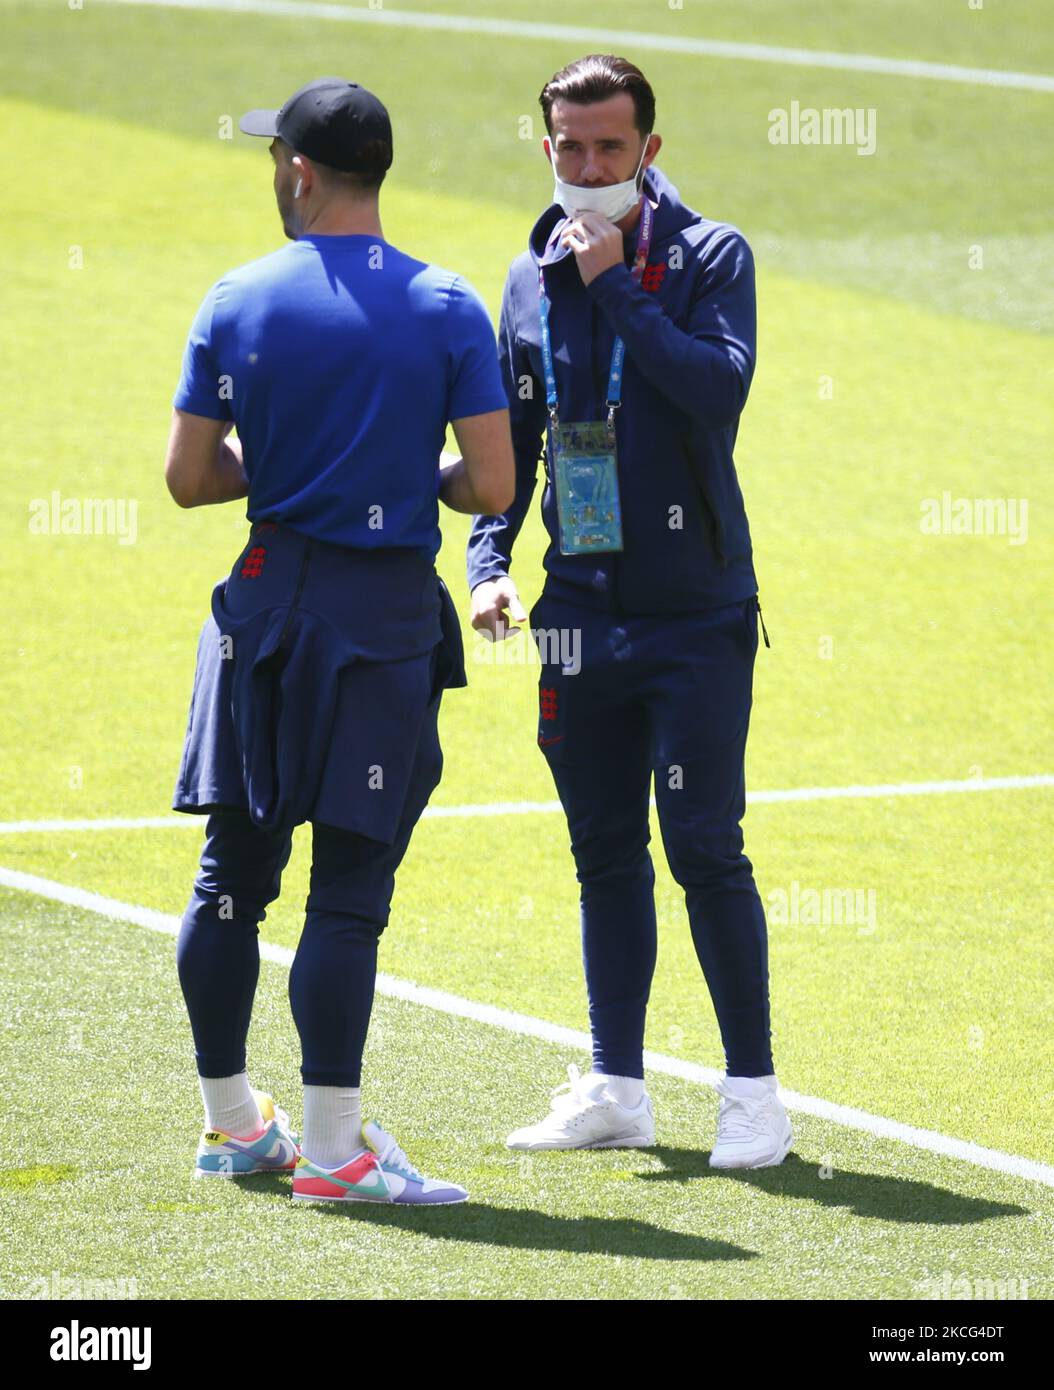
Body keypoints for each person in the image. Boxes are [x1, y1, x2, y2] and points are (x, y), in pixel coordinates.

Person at [165, 76, 513, 1206]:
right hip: (378, 621)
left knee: (231, 878)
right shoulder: (448, 303)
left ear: (302, 172)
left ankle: (234, 1126)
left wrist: (289, 469)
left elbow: (189, 478)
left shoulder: (237, 296)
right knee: (348, 891)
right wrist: (404, 473)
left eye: (276, 159)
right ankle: (332, 1150)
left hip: (262, 606)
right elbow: (491, 484)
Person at [467, 54, 792, 1167]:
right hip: (576, 613)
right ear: (545, 145)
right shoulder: (526, 276)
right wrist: (488, 562)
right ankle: (615, 1087)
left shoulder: (711, 256)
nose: (590, 165)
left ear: (650, 150)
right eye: (571, 146)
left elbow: (714, 389)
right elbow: (509, 446)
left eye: (611, 147)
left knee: (704, 846)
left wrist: (615, 286)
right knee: (603, 848)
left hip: (696, 613)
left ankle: (752, 1094)